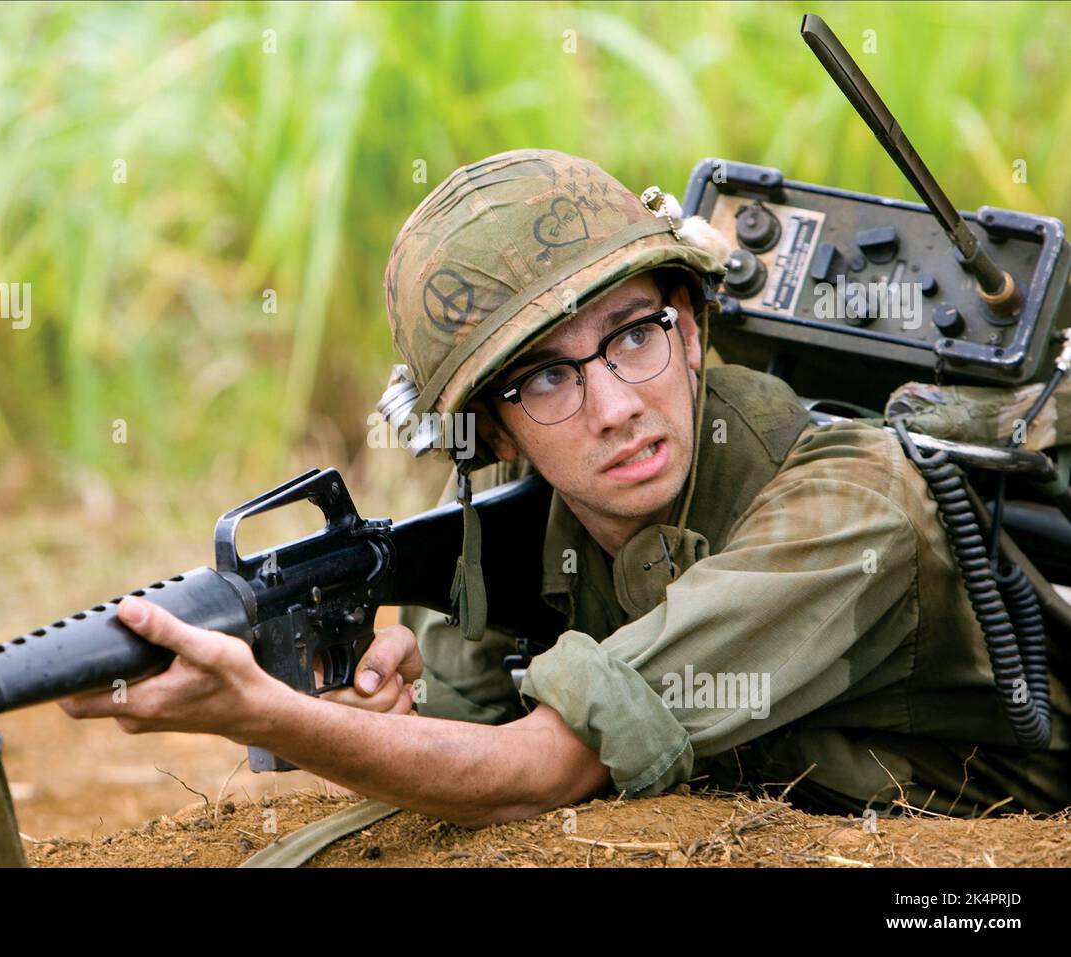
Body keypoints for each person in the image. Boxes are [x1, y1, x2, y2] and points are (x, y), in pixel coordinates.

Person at [60, 149, 1071, 824]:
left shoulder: (848, 510)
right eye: (544, 375)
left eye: (635, 336)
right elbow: (461, 736)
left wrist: (263, 717)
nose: (613, 406)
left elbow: (542, 770)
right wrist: (382, 718)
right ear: (491, 424)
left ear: (693, 324)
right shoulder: (518, 513)